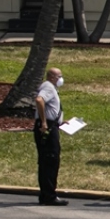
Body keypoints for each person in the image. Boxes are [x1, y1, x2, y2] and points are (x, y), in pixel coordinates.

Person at [34, 67, 67, 206]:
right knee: (50, 161)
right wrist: (44, 122)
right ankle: (49, 196)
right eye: (59, 76)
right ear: (52, 77)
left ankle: (46, 194)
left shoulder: (51, 88)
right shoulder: (48, 87)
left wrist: (59, 122)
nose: (61, 78)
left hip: (53, 125)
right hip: (47, 128)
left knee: (49, 161)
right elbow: (39, 100)